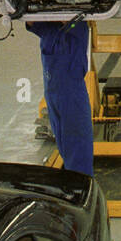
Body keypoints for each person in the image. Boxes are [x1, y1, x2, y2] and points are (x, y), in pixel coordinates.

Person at [26, 19, 94, 177]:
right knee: (65, 146)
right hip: (53, 95)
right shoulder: (49, 31)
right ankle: (73, 184)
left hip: (71, 95)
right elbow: (30, 23)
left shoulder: (76, 28)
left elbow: (70, 18)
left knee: (77, 147)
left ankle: (82, 190)